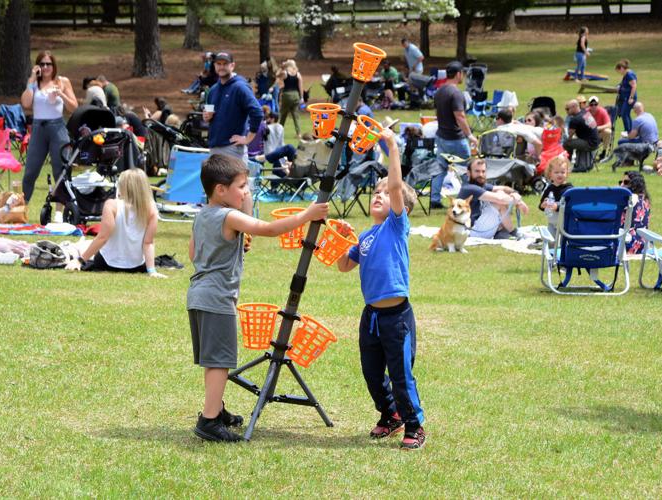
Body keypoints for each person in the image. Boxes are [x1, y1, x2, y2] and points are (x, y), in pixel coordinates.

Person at [187, 153, 328, 442]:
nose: (246, 192)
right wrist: (307, 215)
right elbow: (267, 229)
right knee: (219, 362)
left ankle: (217, 409)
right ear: (220, 190)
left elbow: (193, 254)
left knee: (213, 360)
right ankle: (209, 421)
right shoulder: (229, 215)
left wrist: (229, 249)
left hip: (197, 295)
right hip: (217, 299)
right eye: (241, 187)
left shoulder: (202, 215)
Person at [335, 128, 426, 450]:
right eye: (376, 191)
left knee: (401, 376)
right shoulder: (365, 236)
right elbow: (343, 266)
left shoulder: (397, 225)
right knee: (373, 374)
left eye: (386, 193)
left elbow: (397, 185)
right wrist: (344, 242)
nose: (379, 195)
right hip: (371, 315)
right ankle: (390, 415)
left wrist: (391, 146)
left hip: (397, 318)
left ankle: (414, 425)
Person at [64, 169, 165, 276]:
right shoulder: (151, 209)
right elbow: (148, 243)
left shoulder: (111, 205)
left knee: (82, 245)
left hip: (107, 263)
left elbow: (102, 237)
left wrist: (80, 260)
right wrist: (151, 271)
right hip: (137, 266)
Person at [20, 50, 78, 217]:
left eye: (49, 64)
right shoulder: (34, 84)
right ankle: (23, 209)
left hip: (57, 127)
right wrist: (31, 80)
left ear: (54, 66)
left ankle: (59, 213)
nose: (45, 67)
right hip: (38, 128)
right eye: (42, 64)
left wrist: (61, 94)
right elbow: (25, 103)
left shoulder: (62, 81)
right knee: (31, 170)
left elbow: (74, 107)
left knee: (60, 171)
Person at [202, 51, 264, 163]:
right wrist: (206, 116)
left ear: (232, 65)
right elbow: (209, 113)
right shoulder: (213, 90)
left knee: (236, 181)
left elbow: (257, 112)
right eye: (218, 64)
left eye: (225, 64)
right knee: (217, 181)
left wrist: (248, 138)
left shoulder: (240, 87)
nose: (221, 67)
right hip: (214, 148)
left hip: (233, 149)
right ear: (214, 65)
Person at [432, 61, 477, 209]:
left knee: (440, 168)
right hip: (456, 139)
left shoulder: (439, 91)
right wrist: (469, 135)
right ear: (458, 74)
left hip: (441, 136)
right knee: (466, 169)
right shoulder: (456, 93)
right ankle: (467, 198)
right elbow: (460, 116)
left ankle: (434, 199)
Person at [457, 158, 529, 239]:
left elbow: (504, 188)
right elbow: (500, 200)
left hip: (476, 227)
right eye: (477, 171)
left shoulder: (479, 185)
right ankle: (513, 232)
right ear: (468, 173)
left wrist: (515, 193)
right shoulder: (469, 188)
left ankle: (501, 231)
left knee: (500, 192)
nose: (481, 174)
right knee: (499, 203)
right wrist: (518, 201)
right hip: (471, 231)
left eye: (483, 171)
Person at [538, 156, 574, 239]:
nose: (559, 174)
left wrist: (557, 206)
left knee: (563, 244)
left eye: (562, 172)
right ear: (550, 174)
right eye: (556, 172)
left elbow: (570, 205)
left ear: (567, 173)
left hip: (565, 223)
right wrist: (543, 205)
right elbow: (541, 205)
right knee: (550, 241)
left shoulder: (569, 189)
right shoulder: (549, 188)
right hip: (552, 222)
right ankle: (550, 250)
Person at [619, 170, 651, 255]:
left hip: (628, 244)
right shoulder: (645, 201)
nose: (621, 185)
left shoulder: (629, 201)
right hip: (644, 244)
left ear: (635, 184)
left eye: (626, 182)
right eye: (620, 182)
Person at [563, 99, 599, 172]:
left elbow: (570, 136)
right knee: (574, 142)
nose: (566, 111)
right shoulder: (585, 112)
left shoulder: (575, 119)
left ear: (574, 107)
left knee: (566, 143)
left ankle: (567, 163)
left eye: (567, 109)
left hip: (589, 143)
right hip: (596, 141)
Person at [277, 60, 304, 136]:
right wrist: (302, 97)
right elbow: (300, 86)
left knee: (283, 114)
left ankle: (279, 131)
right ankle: (298, 133)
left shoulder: (285, 73)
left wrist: (281, 67)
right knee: (295, 115)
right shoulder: (298, 74)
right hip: (296, 95)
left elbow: (277, 75)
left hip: (287, 94)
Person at [615, 59, 638, 133]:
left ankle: (628, 130)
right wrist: (619, 86)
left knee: (624, 113)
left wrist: (631, 98)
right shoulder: (626, 75)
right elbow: (623, 84)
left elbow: (634, 86)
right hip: (625, 97)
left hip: (629, 98)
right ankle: (630, 130)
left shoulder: (629, 74)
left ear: (621, 68)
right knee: (625, 113)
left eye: (618, 71)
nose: (619, 73)